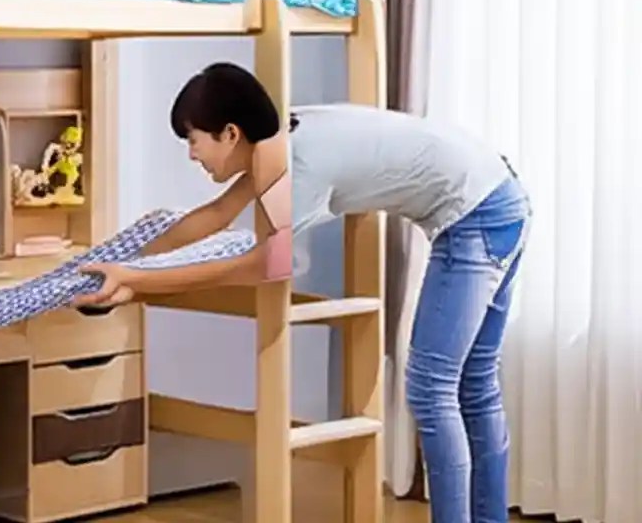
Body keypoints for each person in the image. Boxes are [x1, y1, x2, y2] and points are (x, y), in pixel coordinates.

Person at [76, 62, 531, 523]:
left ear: (230, 134)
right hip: (499, 194)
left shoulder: (299, 167)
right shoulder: (281, 137)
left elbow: (262, 265)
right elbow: (214, 215)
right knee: (473, 386)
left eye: (193, 140)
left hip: (477, 215)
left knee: (431, 388)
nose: (192, 155)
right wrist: (131, 262)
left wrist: (136, 283)